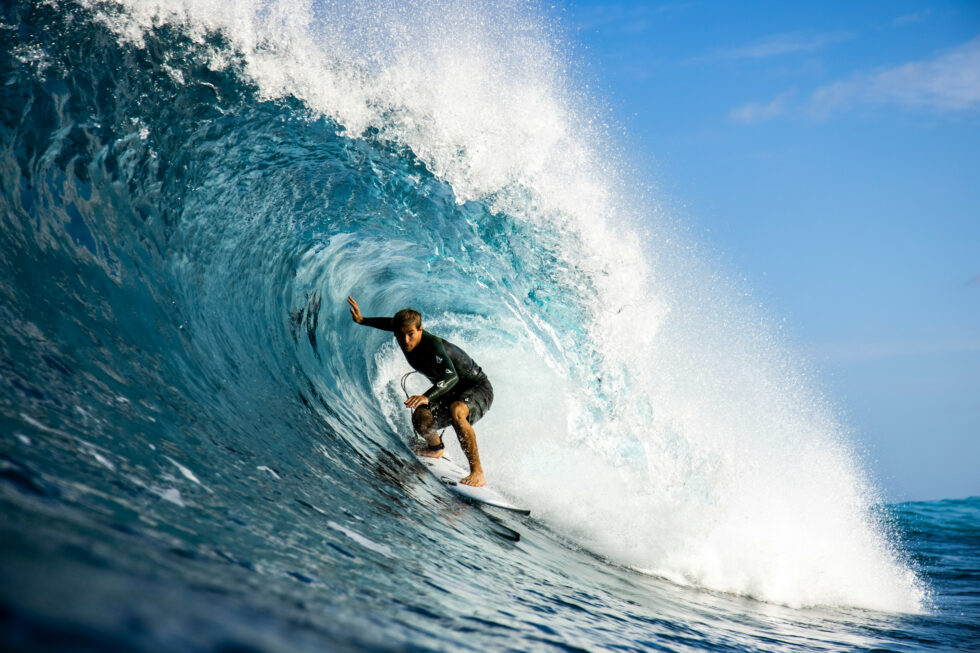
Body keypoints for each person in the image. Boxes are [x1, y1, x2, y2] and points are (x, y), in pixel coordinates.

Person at [347, 296, 493, 487]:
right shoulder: (402, 332)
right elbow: (389, 324)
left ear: (420, 330)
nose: (406, 340)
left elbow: (451, 378)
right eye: (400, 335)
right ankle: (435, 448)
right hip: (448, 391)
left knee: (457, 410)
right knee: (421, 417)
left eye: (411, 334)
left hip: (476, 388)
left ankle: (477, 472)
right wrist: (362, 320)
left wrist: (426, 396)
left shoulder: (434, 347)